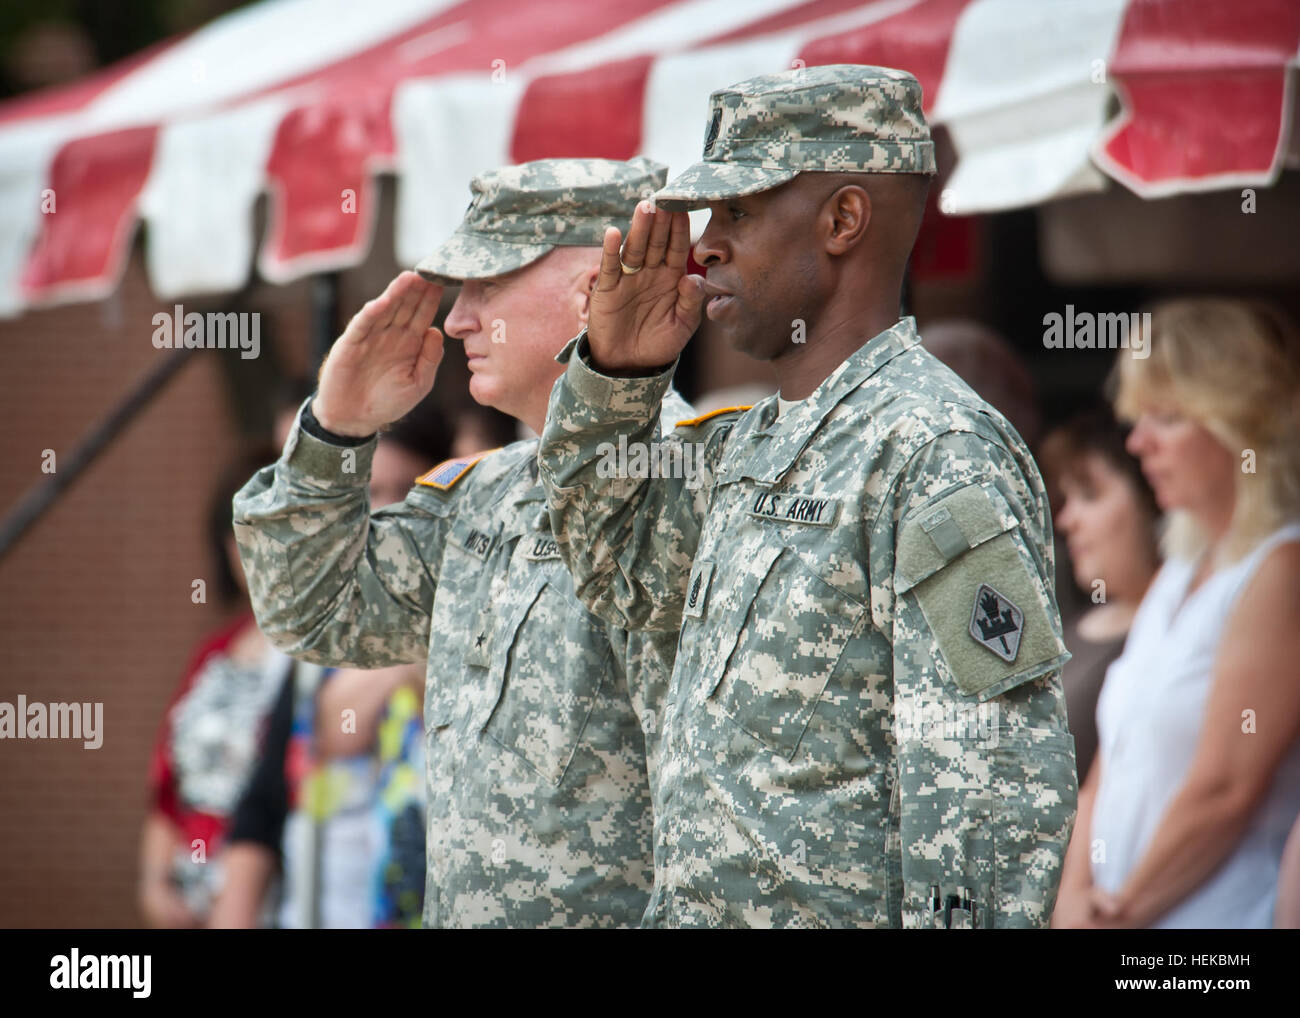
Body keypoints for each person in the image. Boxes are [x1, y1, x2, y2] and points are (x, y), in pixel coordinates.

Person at [538, 64, 1077, 927]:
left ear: (842, 220)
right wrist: (618, 375)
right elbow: (612, 569)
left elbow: (989, 791)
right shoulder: (749, 440)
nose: (704, 245)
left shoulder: (935, 450)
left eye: (738, 212)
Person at [232, 157, 692, 927]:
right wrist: (336, 430)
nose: (457, 319)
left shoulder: (692, 477)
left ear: (592, 287)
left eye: (488, 285)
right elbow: (309, 613)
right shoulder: (482, 494)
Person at [1053, 298, 1300, 929]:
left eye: (1165, 417)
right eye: (1138, 419)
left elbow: (1226, 790)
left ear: (1235, 422)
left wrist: (1119, 913)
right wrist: (1075, 894)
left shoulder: (1281, 568)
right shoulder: (1182, 568)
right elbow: (1110, 760)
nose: (1138, 442)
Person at [140, 447, 290, 928]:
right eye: (238, 534)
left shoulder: (321, 657)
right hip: (187, 904)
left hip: (271, 902)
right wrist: (154, 887)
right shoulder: (214, 653)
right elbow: (168, 788)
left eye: (268, 529)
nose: (251, 550)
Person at [1045, 405, 1160, 780]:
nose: (1066, 519)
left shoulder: (1178, 631)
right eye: (1068, 497)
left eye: (1090, 495)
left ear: (1153, 500)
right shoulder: (1071, 627)